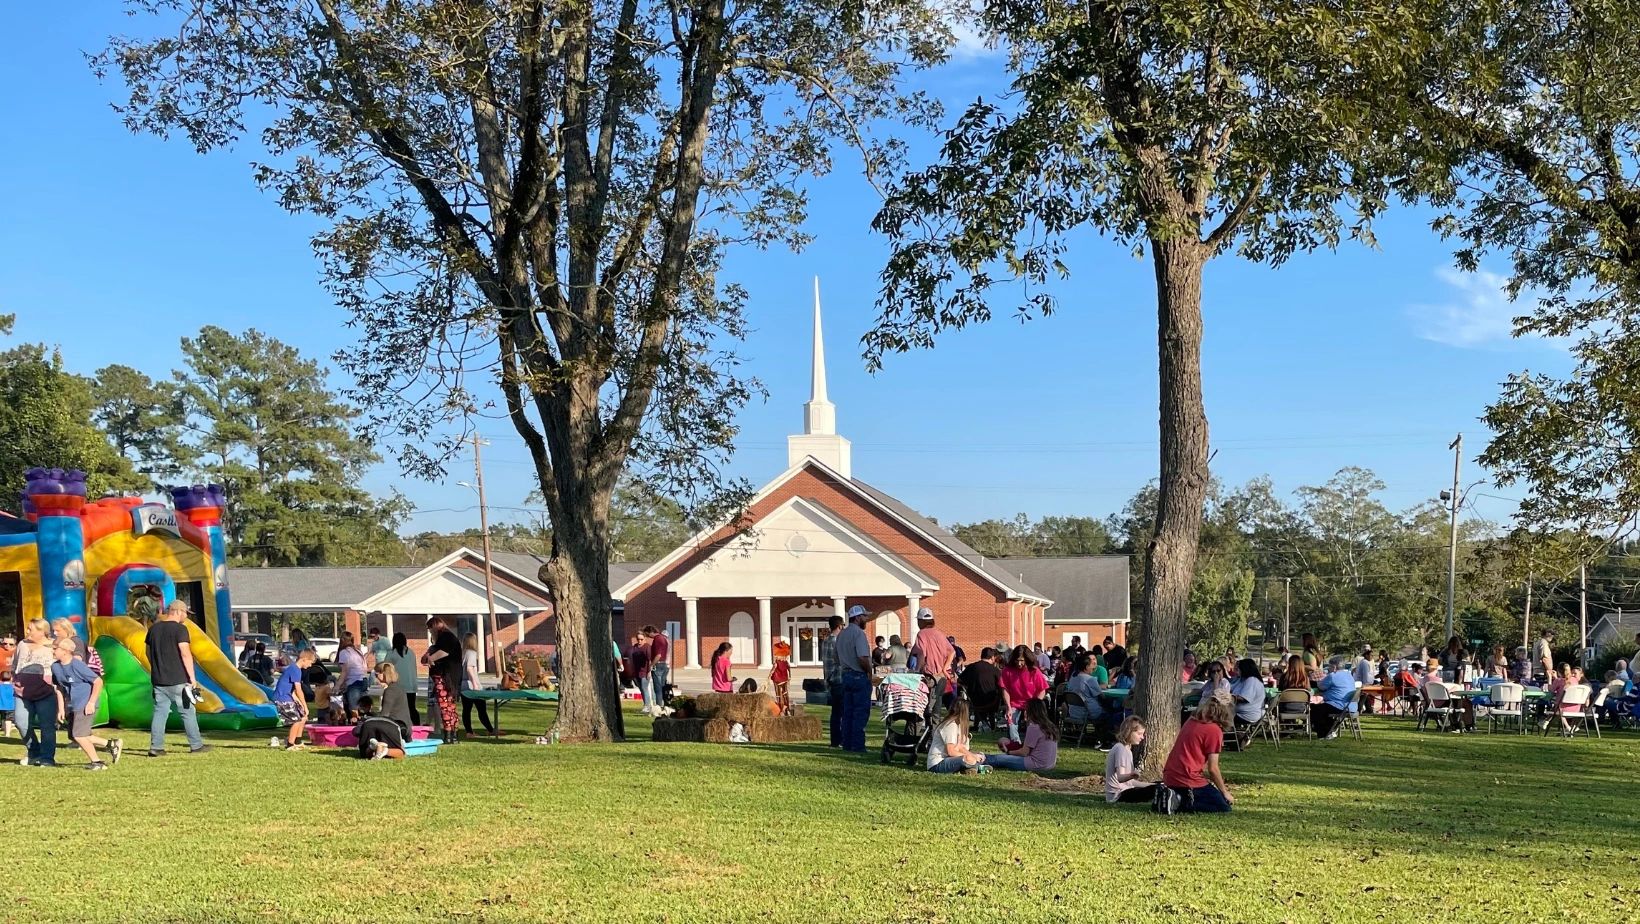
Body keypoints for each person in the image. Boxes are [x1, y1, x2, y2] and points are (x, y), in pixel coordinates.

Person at [146, 600, 208, 757]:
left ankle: (156, 747)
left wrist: (156, 667)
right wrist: (192, 678)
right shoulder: (180, 629)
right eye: (186, 613)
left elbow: (147, 652)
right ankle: (196, 745)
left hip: (158, 679)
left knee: (160, 713)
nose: (186, 616)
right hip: (179, 679)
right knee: (187, 712)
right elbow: (185, 653)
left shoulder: (153, 629)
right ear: (178, 611)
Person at [52, 637, 121, 769]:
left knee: (79, 735)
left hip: (84, 703)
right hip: (71, 705)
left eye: (56, 649)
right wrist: (61, 709)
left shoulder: (77, 665)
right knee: (74, 735)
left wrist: (91, 702)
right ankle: (111, 744)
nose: (53, 651)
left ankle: (97, 763)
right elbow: (59, 688)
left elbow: (98, 681)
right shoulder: (55, 667)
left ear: (66, 651)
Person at [1160, 695, 1234, 814]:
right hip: (1189, 779)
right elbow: (1213, 768)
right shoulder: (1214, 731)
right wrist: (1224, 791)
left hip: (1170, 776)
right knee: (1223, 807)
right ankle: (1180, 803)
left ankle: (1174, 796)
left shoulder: (1192, 720)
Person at [12, 618, 57, 766]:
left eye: (31, 629)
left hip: (45, 692)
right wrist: (14, 679)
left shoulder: (53, 646)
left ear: (42, 631)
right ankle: (34, 752)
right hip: (21, 691)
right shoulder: (22, 644)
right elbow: (15, 664)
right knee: (20, 722)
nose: (27, 632)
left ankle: (47, 758)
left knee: (47, 726)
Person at [835, 605, 873, 752]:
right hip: (859, 675)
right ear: (857, 617)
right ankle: (857, 745)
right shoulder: (858, 634)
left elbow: (836, 658)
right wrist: (869, 672)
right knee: (860, 712)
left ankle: (847, 744)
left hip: (845, 675)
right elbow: (862, 657)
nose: (866, 619)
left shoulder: (841, 635)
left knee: (847, 712)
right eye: (864, 616)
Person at [986, 698, 1059, 772]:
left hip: (1035, 764)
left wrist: (1008, 752)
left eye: (1026, 709)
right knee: (1001, 756)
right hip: (1049, 765)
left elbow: (1024, 752)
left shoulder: (1034, 727)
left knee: (997, 758)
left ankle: (978, 760)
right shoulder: (1049, 726)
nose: (1024, 712)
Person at [421, 616, 462, 744]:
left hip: (444, 676)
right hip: (449, 676)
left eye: (429, 629)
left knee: (445, 706)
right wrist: (428, 657)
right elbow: (424, 658)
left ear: (434, 626)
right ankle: (453, 734)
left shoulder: (446, 637)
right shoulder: (441, 641)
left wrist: (431, 659)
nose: (429, 632)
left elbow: (444, 652)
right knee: (450, 706)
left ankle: (448, 734)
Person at [1105, 717, 1160, 805]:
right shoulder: (1120, 749)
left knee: (1160, 785)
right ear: (1129, 732)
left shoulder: (1128, 751)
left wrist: (1152, 785)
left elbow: (1130, 782)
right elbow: (1121, 778)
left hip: (1127, 790)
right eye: (1139, 734)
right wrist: (1132, 775)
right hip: (1118, 795)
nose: (1142, 737)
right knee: (1156, 789)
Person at [999, 644, 1049, 737]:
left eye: (1022, 661)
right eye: (1017, 660)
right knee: (1011, 721)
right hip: (1014, 703)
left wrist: (1033, 707)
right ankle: (1015, 743)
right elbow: (1005, 689)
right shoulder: (1007, 670)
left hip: (1031, 703)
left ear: (1027, 659)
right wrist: (1008, 706)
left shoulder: (1034, 671)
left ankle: (1030, 745)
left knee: (1033, 724)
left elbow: (1042, 690)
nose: (1019, 663)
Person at [926, 699, 987, 774]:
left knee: (977, 756)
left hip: (948, 760)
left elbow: (960, 747)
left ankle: (972, 767)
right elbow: (950, 752)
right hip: (937, 763)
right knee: (969, 759)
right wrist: (972, 756)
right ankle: (976, 767)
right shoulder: (950, 725)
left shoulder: (956, 725)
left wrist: (973, 755)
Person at [272, 649, 314, 749]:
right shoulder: (295, 670)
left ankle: (297, 741)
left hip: (288, 696)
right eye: (310, 662)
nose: (310, 665)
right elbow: (299, 690)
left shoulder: (295, 669)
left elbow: (292, 690)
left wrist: (300, 704)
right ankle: (290, 744)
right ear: (304, 659)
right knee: (296, 720)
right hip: (282, 698)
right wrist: (305, 705)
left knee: (303, 717)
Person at [909, 609, 956, 695]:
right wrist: (944, 669)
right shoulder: (939, 633)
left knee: (928, 703)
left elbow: (921, 654)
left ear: (920, 621)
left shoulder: (921, 634)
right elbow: (952, 652)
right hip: (942, 675)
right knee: (938, 702)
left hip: (929, 675)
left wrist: (917, 671)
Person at [958, 646, 1005, 729]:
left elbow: (960, 681)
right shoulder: (995, 670)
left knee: (978, 703)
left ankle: (977, 724)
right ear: (992, 657)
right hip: (992, 702)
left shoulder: (971, 667)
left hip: (974, 700)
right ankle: (991, 725)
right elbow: (1001, 685)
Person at [1312, 656, 1357, 739]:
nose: (1328, 668)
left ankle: (1324, 733)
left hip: (1339, 705)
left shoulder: (1333, 676)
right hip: (1351, 705)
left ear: (1334, 667)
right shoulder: (1349, 675)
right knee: (1322, 708)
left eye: (1329, 666)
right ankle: (1330, 729)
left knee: (1315, 709)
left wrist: (1318, 679)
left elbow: (1321, 686)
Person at [382, 632, 420, 726]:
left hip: (399, 685)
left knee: (397, 708)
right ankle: (416, 725)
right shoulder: (410, 652)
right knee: (412, 707)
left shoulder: (392, 653)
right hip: (411, 685)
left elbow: (385, 667)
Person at [460, 631, 495, 736]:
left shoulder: (463, 653)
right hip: (472, 686)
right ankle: (490, 730)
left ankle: (469, 731)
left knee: (466, 710)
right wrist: (475, 684)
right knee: (481, 709)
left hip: (463, 685)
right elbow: (469, 668)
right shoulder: (471, 653)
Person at [1063, 653, 1107, 736]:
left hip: (1074, 712)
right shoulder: (1090, 679)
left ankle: (1093, 735)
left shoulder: (1073, 677)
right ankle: (1103, 737)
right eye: (1091, 666)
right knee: (1111, 713)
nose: (1093, 669)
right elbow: (1101, 696)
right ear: (1086, 667)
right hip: (1088, 713)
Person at [353, 695, 407, 760]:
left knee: (364, 754)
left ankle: (372, 747)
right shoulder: (396, 726)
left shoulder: (363, 719)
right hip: (389, 725)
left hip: (368, 724)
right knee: (401, 752)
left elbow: (356, 731)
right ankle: (385, 751)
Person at [335, 631, 370, 719]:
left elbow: (344, 671)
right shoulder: (358, 652)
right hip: (363, 680)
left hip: (354, 683)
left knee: (354, 709)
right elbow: (365, 667)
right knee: (362, 709)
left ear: (342, 640)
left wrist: (337, 685)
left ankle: (354, 728)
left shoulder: (344, 652)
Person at [1230, 658, 1267, 732]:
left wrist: (1228, 697)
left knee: (1219, 716)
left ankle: (1231, 737)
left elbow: (1244, 698)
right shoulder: (1242, 679)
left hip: (1247, 715)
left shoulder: (1252, 680)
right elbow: (1230, 688)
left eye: (1239, 668)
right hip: (1238, 712)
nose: (1237, 670)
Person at [376, 661, 414, 730]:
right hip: (405, 726)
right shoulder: (398, 687)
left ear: (383, 673)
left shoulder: (390, 691)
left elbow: (385, 714)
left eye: (376, 674)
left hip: (397, 727)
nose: (376, 678)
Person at [646, 625, 671, 715]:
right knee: (663, 687)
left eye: (647, 634)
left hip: (658, 665)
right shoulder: (664, 639)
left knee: (658, 689)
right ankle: (666, 706)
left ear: (650, 632)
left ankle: (659, 707)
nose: (647, 636)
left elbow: (658, 655)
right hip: (664, 665)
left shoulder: (657, 639)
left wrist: (651, 665)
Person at [628, 633, 653, 712]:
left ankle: (648, 706)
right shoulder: (635, 647)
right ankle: (645, 704)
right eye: (638, 639)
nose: (639, 641)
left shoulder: (647, 647)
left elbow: (649, 660)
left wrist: (649, 671)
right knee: (641, 689)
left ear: (645, 639)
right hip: (636, 671)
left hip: (645, 671)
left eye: (641, 639)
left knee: (644, 688)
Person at [1352, 646, 1376, 713]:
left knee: (1366, 696)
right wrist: (1368, 684)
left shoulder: (1365, 662)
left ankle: (1369, 709)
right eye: (1371, 655)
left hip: (1362, 682)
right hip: (1361, 683)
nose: (1372, 657)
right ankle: (1358, 710)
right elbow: (1366, 675)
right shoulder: (1364, 662)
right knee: (1364, 696)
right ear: (1366, 655)